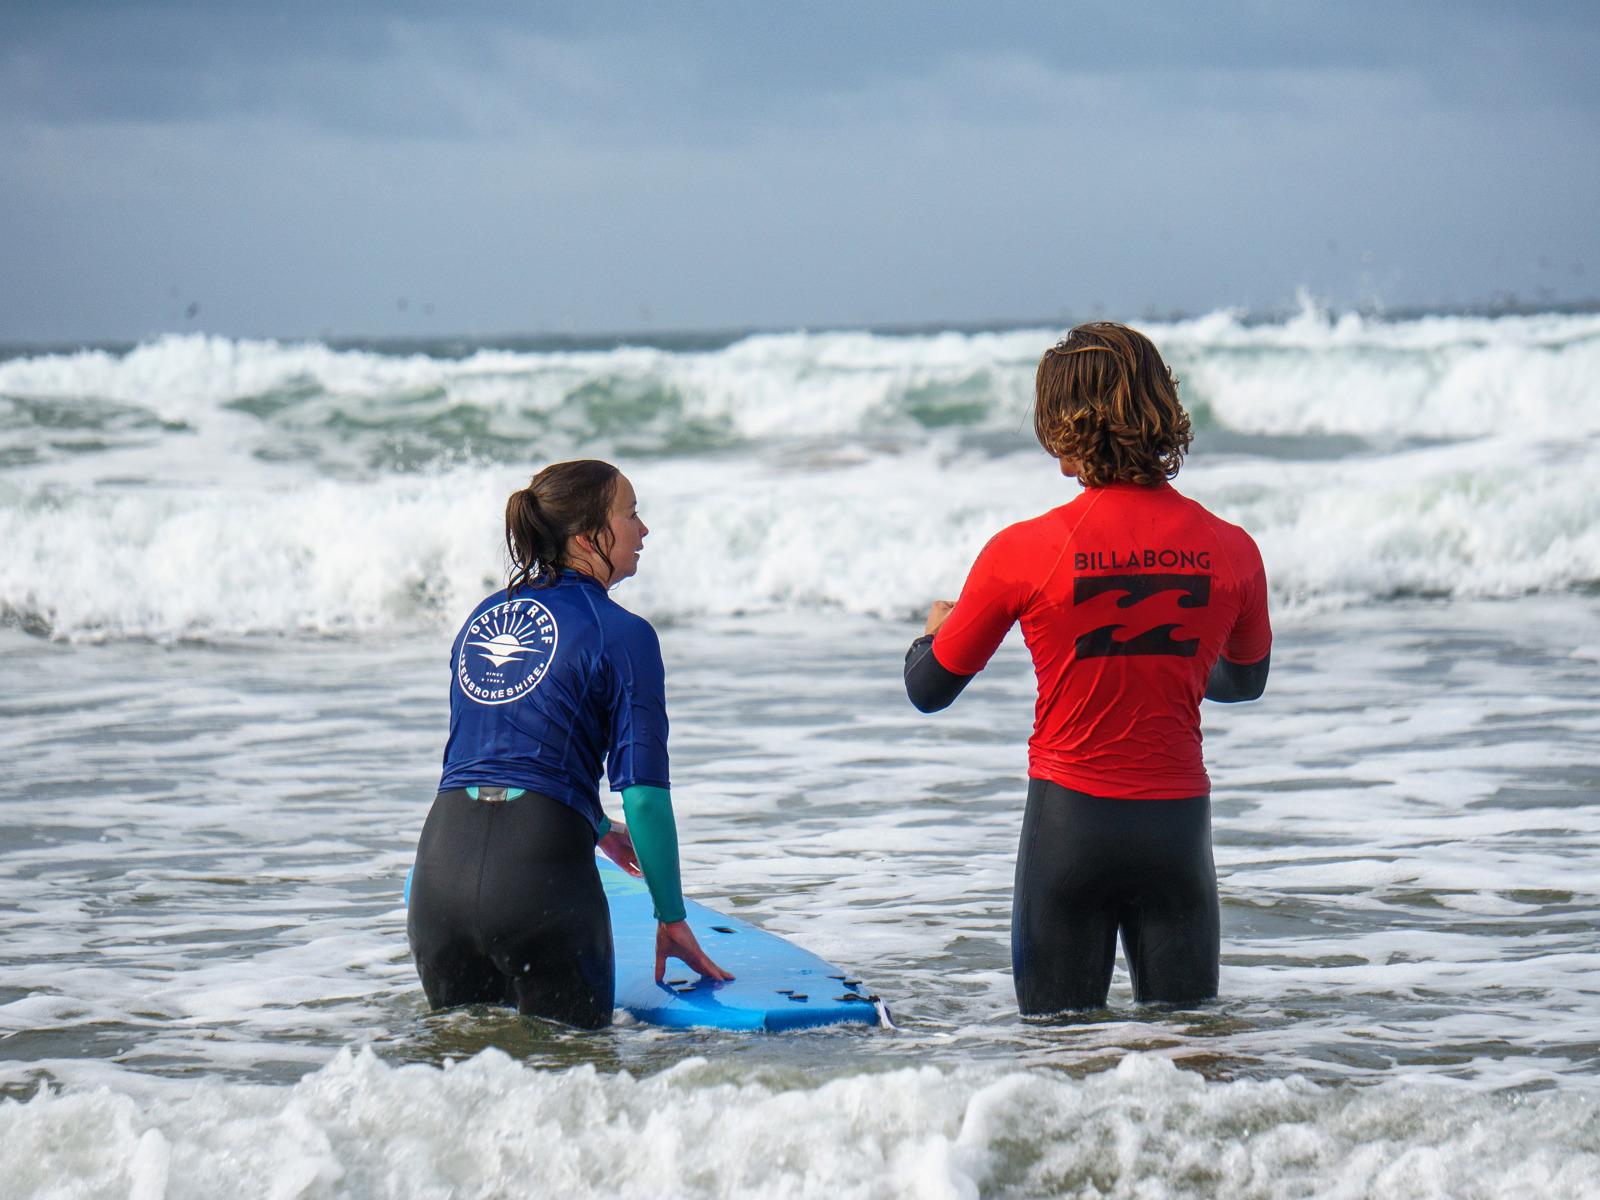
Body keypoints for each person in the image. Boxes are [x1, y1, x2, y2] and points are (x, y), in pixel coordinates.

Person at [903, 323, 1270, 1015]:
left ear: (1060, 431)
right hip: (1178, 839)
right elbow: (1243, 682)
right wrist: (1175, 661)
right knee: (1190, 1061)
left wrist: (933, 633)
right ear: (1162, 411)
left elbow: (928, 689)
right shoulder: (1233, 549)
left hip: (1068, 834)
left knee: (1058, 1056)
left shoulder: (1022, 550)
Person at [407, 459, 731, 1028]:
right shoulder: (624, 633)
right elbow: (646, 797)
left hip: (439, 882)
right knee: (579, 1083)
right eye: (630, 514)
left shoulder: (483, 618)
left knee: (459, 1084)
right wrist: (671, 918)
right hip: (540, 887)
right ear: (588, 538)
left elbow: (501, 755)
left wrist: (598, 829)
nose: (644, 530)